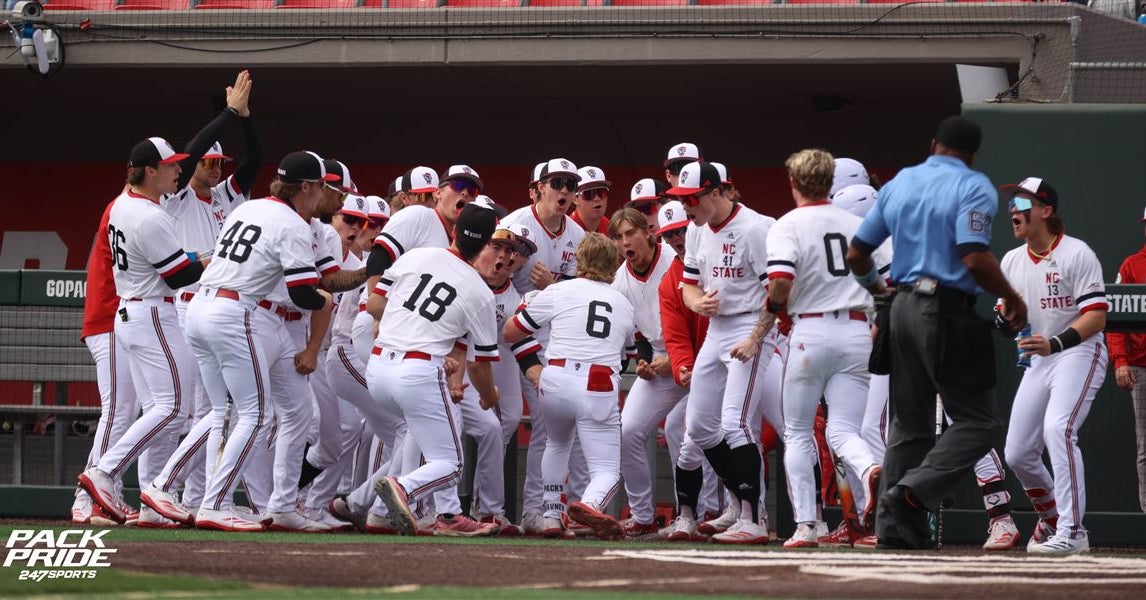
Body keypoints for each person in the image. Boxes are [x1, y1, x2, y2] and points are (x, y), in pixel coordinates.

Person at [846, 115, 1028, 550]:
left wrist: (880, 291)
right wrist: (1013, 296)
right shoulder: (973, 185)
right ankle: (910, 495)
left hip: (900, 305)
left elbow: (857, 253)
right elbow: (973, 257)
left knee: (908, 425)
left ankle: (892, 530)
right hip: (945, 307)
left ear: (933, 144)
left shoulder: (899, 183)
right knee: (979, 420)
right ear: (973, 154)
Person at [179, 151, 334, 531]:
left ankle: (281, 506)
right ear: (306, 187)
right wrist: (325, 301)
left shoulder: (247, 209)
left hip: (206, 305)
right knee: (253, 414)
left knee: (292, 410)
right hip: (238, 312)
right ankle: (212, 502)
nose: (323, 194)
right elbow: (301, 294)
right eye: (321, 187)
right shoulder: (293, 223)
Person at [756, 149, 883, 549]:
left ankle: (807, 525)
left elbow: (779, 282)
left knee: (796, 432)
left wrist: (774, 309)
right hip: (858, 330)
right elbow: (882, 281)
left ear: (794, 183)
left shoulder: (787, 224)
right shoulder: (855, 221)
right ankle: (869, 468)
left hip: (811, 328)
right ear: (830, 183)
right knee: (845, 429)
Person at [77, 137, 206, 524]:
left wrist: (200, 256)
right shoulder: (148, 216)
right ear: (150, 170)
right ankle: (106, 472)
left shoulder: (123, 204)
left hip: (135, 313)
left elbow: (177, 265)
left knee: (160, 407)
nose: (178, 170)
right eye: (171, 165)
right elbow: (179, 275)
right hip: (151, 312)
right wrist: (217, 258)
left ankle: (145, 493)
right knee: (174, 406)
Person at [371, 204, 501, 537]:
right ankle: (404, 487)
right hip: (417, 373)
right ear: (486, 243)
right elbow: (478, 365)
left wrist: (418, 337)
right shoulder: (481, 292)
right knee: (451, 463)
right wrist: (489, 396)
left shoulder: (416, 256)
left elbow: (375, 304)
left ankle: (449, 515)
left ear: (455, 232)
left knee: (440, 433)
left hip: (379, 366)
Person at [1000, 177, 1108, 555]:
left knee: (1058, 430)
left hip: (1079, 352)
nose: (1013, 209)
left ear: (1046, 211)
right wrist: (1008, 319)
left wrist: (1055, 342)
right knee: (1017, 452)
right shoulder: (1011, 260)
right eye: (1012, 202)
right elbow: (1010, 316)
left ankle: (1073, 531)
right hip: (1039, 358)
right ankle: (1052, 518)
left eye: (1023, 203)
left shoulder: (1077, 253)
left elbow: (1096, 317)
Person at [504, 233, 637, 540]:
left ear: (581, 260)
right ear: (613, 264)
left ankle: (551, 515)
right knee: (606, 471)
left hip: (556, 378)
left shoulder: (558, 291)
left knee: (556, 445)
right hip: (597, 383)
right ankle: (588, 504)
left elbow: (511, 332)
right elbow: (630, 351)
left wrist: (527, 306)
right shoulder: (623, 303)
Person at [675, 160, 781, 545]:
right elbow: (688, 286)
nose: (687, 206)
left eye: (692, 199)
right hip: (717, 329)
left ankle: (753, 519)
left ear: (715, 192)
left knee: (736, 423)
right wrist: (696, 302)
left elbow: (779, 292)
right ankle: (738, 503)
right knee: (700, 425)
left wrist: (755, 338)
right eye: (682, 199)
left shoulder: (755, 227)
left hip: (751, 324)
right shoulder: (695, 229)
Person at [608, 208, 683, 540]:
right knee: (628, 431)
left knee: (686, 430)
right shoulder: (621, 278)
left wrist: (675, 357)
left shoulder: (672, 259)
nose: (626, 242)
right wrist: (643, 362)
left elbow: (699, 318)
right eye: (619, 237)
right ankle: (642, 516)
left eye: (630, 234)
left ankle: (696, 512)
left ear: (648, 234)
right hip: (662, 358)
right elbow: (638, 333)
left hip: (695, 354)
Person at [1107, 208, 1146, 513]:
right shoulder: (1132, 265)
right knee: (1145, 447)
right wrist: (1120, 360)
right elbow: (1115, 318)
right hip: (1140, 367)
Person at [572, 166, 611, 234]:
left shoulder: (609, 227)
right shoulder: (568, 229)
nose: (597, 198)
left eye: (601, 192)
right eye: (588, 194)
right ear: (575, 199)